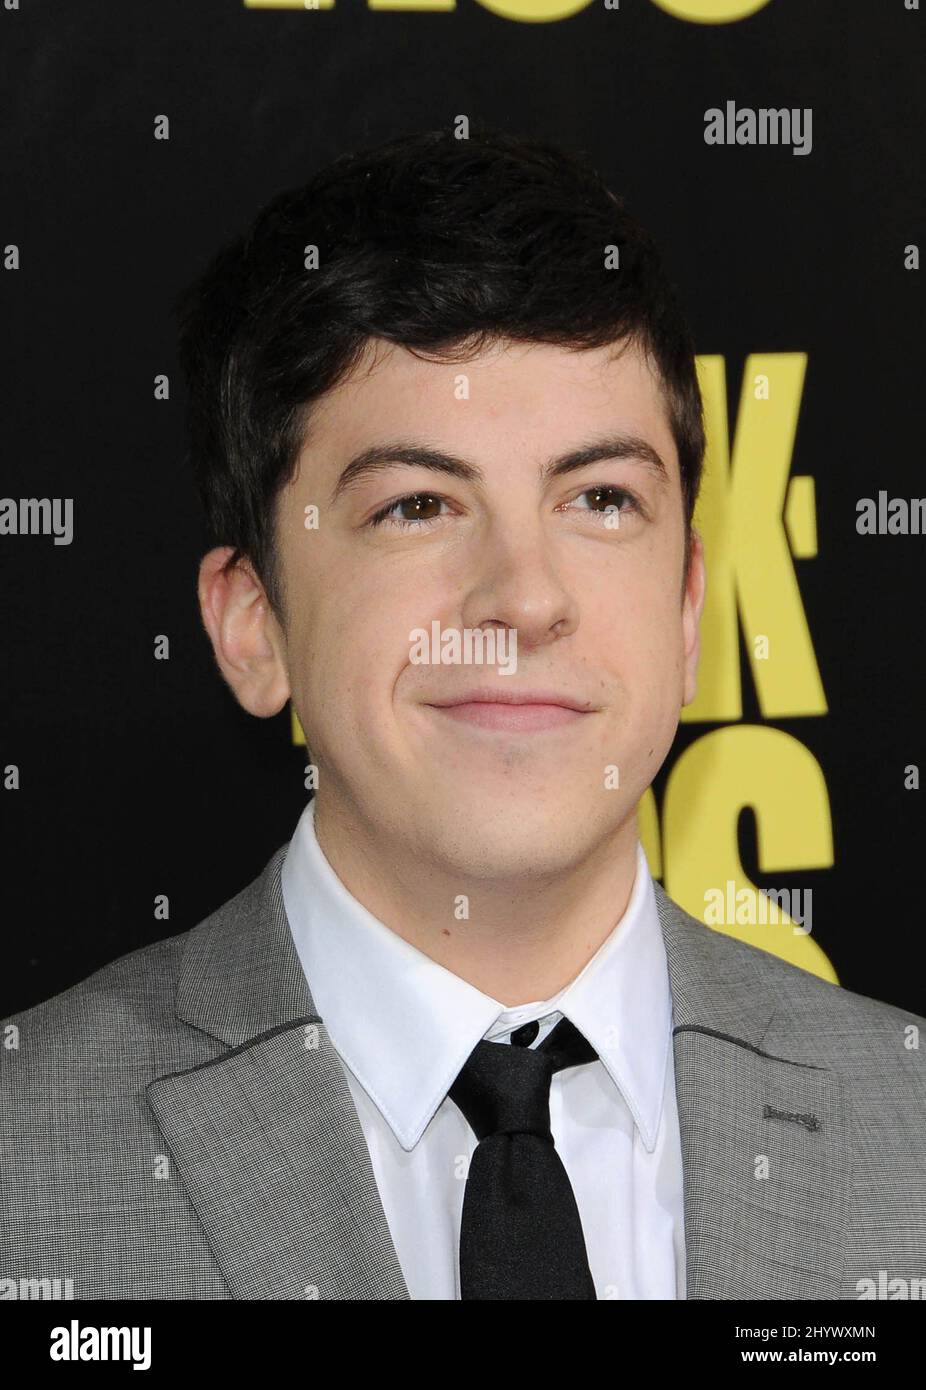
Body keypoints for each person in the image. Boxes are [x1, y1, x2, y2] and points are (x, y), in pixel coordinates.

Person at [2, 128, 924, 1302]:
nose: (526, 598)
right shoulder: (18, 1166)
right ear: (253, 625)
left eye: (598, 498)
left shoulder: (908, 1123)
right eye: (417, 505)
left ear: (688, 611)